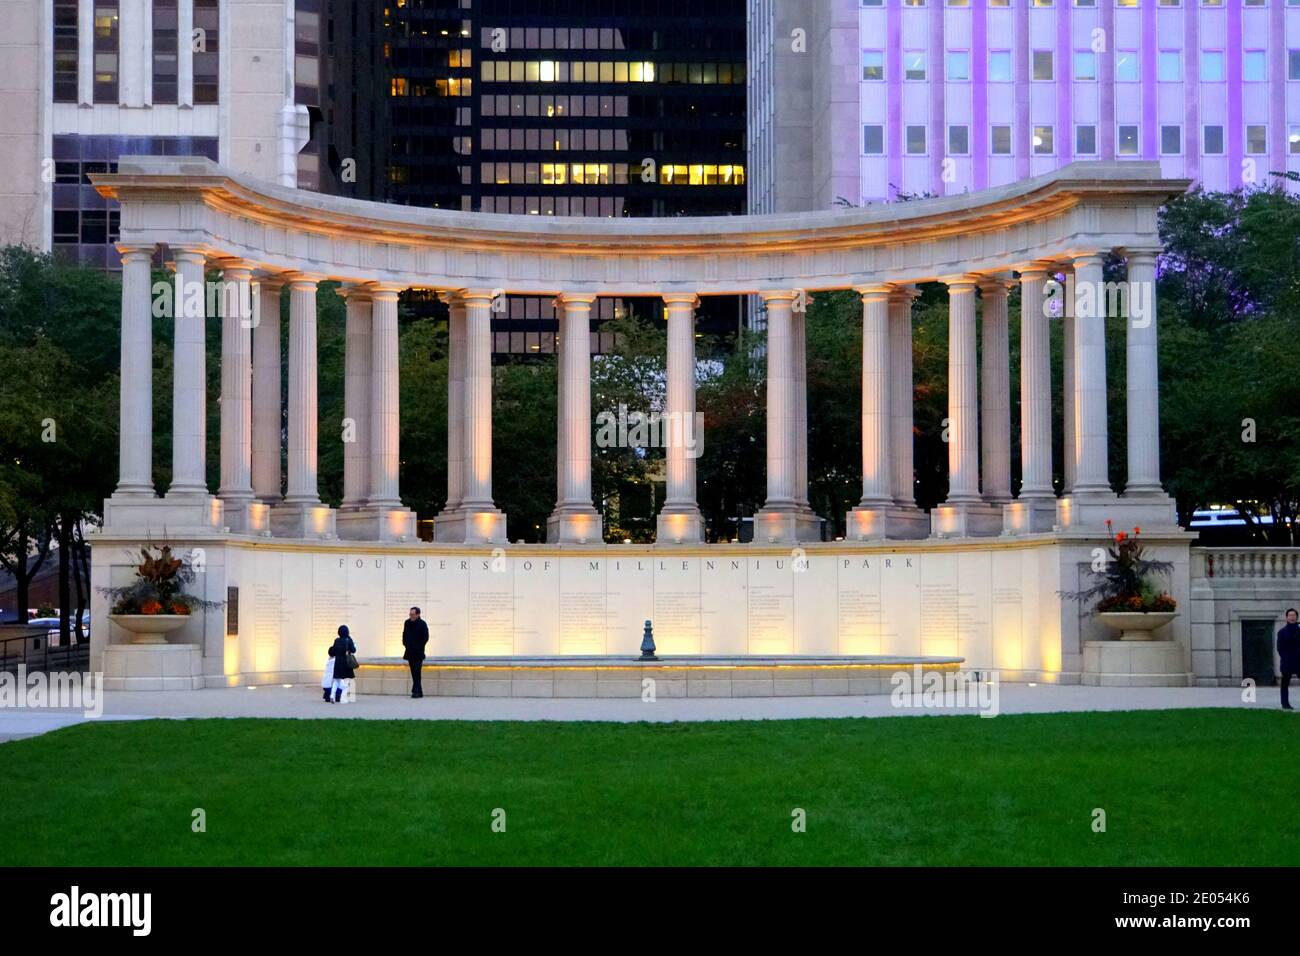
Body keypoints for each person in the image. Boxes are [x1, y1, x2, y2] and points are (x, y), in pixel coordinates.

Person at [402, 606, 429, 698]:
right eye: (410, 614)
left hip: (418, 653)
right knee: (414, 672)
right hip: (409, 652)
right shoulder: (407, 623)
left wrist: (418, 647)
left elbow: (425, 638)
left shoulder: (422, 624)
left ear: (418, 614)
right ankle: (419, 691)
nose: (411, 616)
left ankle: (416, 691)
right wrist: (406, 644)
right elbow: (404, 635)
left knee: (417, 671)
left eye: (413, 614)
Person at [331, 624, 357, 704]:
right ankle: (343, 698)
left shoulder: (336, 640)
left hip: (338, 663)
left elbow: (334, 651)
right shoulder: (348, 640)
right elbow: (353, 650)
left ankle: (332, 695)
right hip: (346, 663)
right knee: (346, 681)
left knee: (336, 680)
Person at [1278, 608, 1299, 711]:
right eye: (1290, 615)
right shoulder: (1282, 632)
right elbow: (1279, 648)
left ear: (1297, 617)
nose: (1292, 617)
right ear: (1286, 617)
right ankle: (1285, 704)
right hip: (1287, 661)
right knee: (1285, 684)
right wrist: (1286, 658)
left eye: (1294, 615)